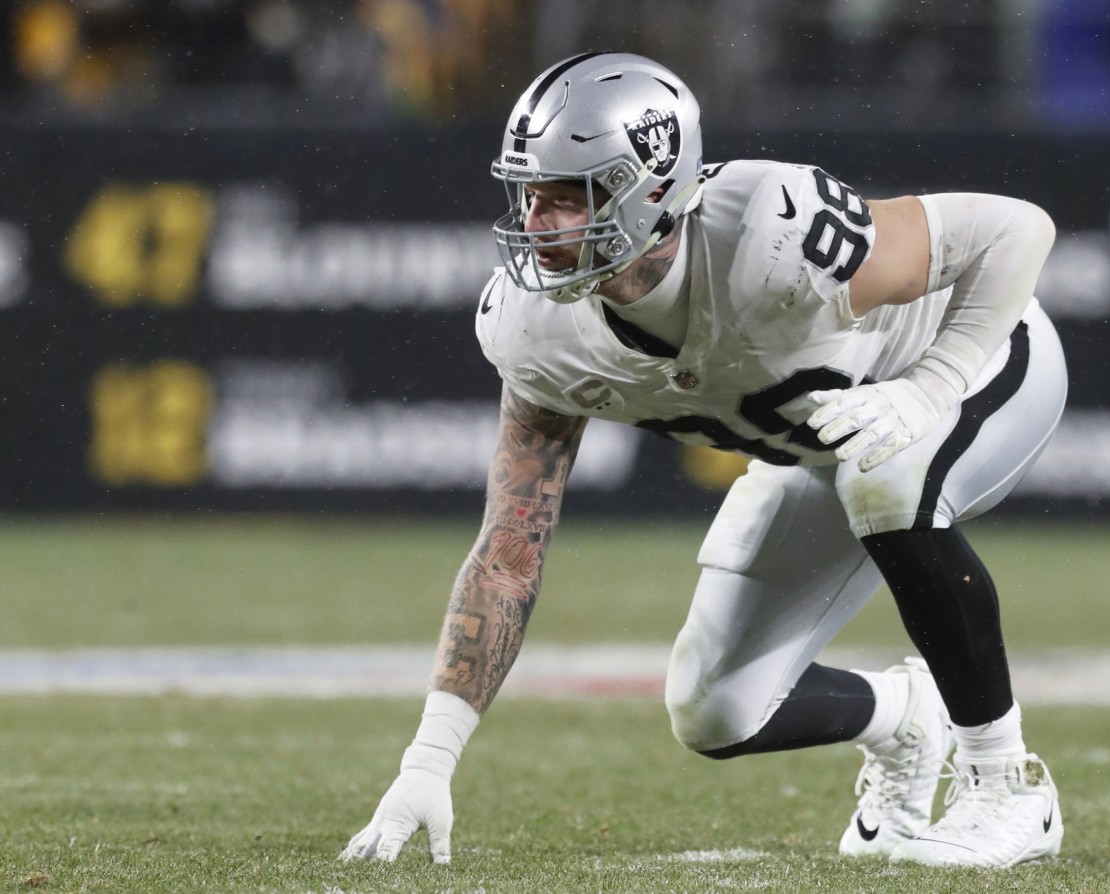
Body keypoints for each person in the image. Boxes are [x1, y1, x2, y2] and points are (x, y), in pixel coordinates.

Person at [341, 51, 1067, 869]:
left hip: (981, 366)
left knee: (887, 475)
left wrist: (929, 387)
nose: (537, 226)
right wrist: (429, 760)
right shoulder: (534, 329)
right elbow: (508, 553)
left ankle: (1008, 786)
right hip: (828, 446)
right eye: (529, 195)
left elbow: (1017, 229)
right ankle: (905, 716)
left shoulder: (771, 233)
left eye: (568, 196)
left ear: (651, 191)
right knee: (716, 709)